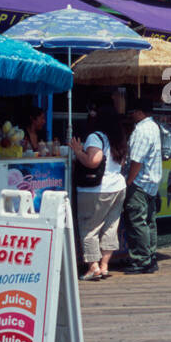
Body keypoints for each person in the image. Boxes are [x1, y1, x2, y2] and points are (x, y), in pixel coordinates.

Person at [70, 98, 128, 281]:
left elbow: (93, 161)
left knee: (89, 228)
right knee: (111, 227)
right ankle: (104, 266)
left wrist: (78, 151)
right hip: (118, 187)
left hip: (97, 189)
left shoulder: (96, 137)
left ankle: (93, 267)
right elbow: (123, 162)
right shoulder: (119, 137)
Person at [122, 96, 162, 274]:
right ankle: (151, 256)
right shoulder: (154, 127)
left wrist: (128, 181)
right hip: (152, 182)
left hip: (140, 181)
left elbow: (136, 161)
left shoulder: (141, 130)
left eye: (133, 112)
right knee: (149, 220)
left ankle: (141, 259)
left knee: (137, 221)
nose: (131, 115)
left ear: (139, 112)